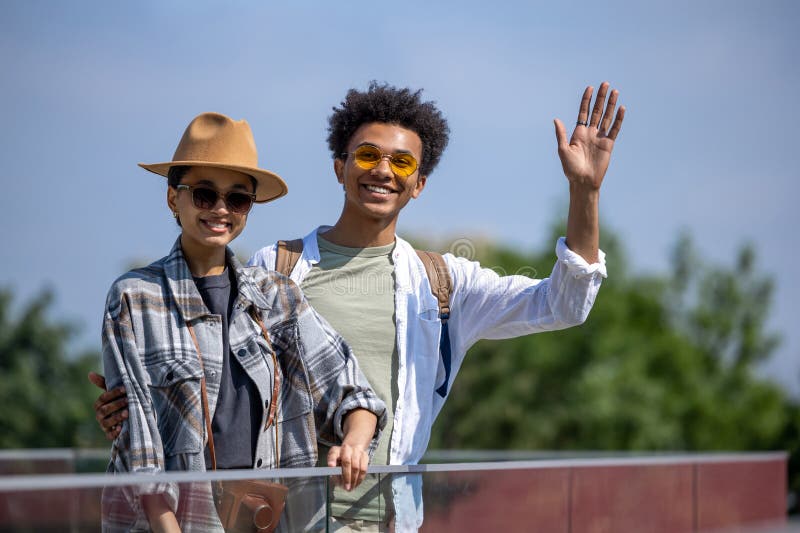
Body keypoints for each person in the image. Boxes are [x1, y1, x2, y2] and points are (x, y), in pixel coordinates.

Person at [95, 81, 625, 532]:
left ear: (419, 184)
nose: (383, 171)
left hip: (392, 517)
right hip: (285, 517)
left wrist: (585, 192)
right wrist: (133, 410)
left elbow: (563, 304)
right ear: (339, 166)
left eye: (402, 161)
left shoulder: (444, 283)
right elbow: (218, 390)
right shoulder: (274, 272)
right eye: (368, 155)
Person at [98, 111, 386, 533]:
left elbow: (353, 393)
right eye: (204, 194)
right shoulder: (134, 298)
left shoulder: (278, 298)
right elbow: (141, 452)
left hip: (268, 520)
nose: (221, 209)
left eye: (237, 199)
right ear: (173, 198)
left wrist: (355, 443)